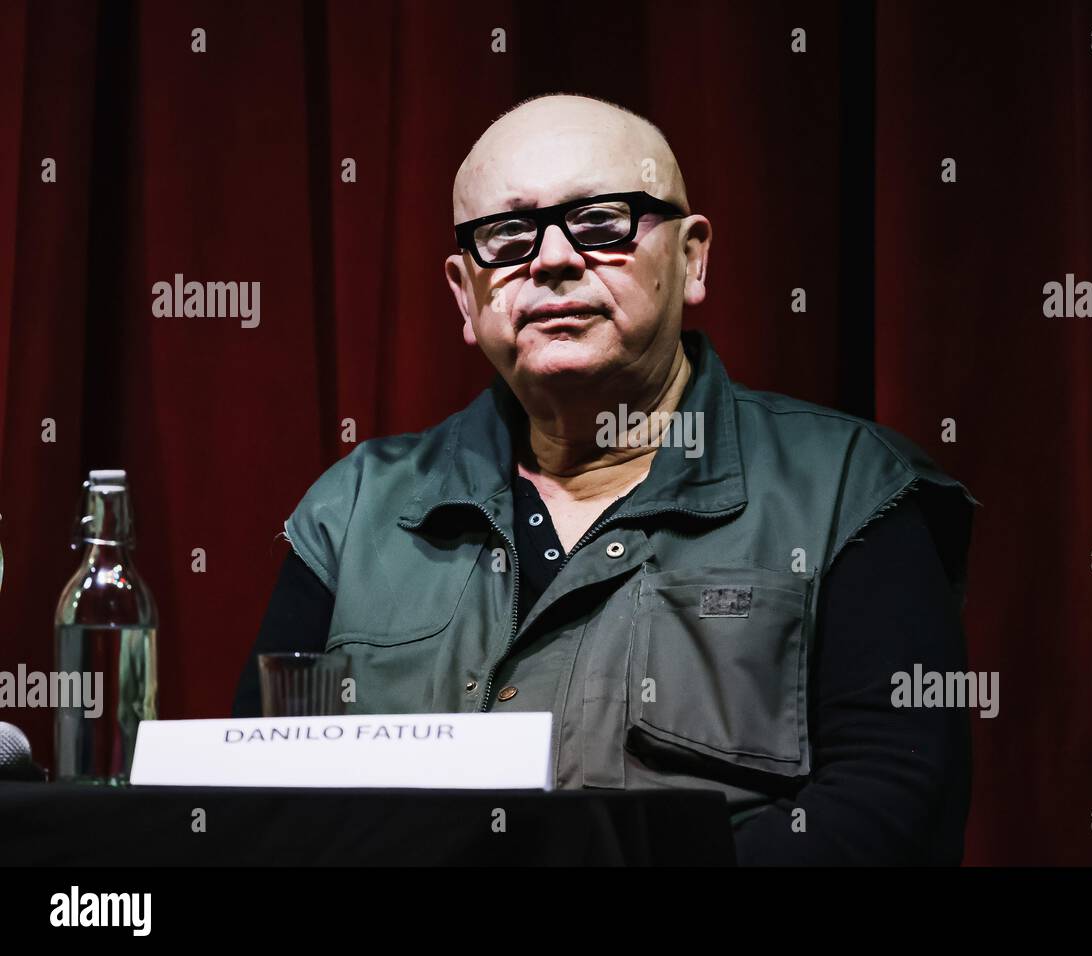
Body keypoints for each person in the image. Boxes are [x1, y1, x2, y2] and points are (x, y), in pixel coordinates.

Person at [234, 93, 978, 865]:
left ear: (691, 259)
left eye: (599, 222)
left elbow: (894, 807)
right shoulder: (353, 510)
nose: (553, 259)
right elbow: (251, 806)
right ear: (463, 292)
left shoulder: (846, 488)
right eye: (508, 235)